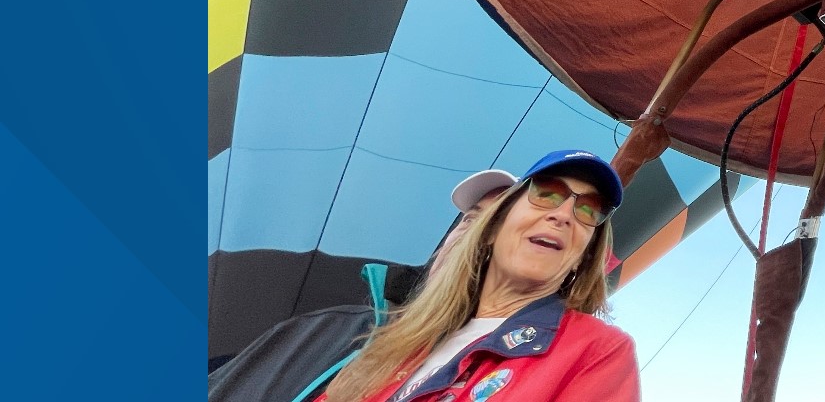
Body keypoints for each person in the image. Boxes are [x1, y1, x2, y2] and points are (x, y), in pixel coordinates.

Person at [320, 150, 640, 402]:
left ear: (581, 259)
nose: (563, 215)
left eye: (588, 210)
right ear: (491, 229)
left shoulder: (595, 351)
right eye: (547, 193)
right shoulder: (401, 343)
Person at [209, 168, 518, 402]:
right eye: (469, 220)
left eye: (495, 228)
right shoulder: (326, 328)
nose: (472, 237)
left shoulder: (514, 374)